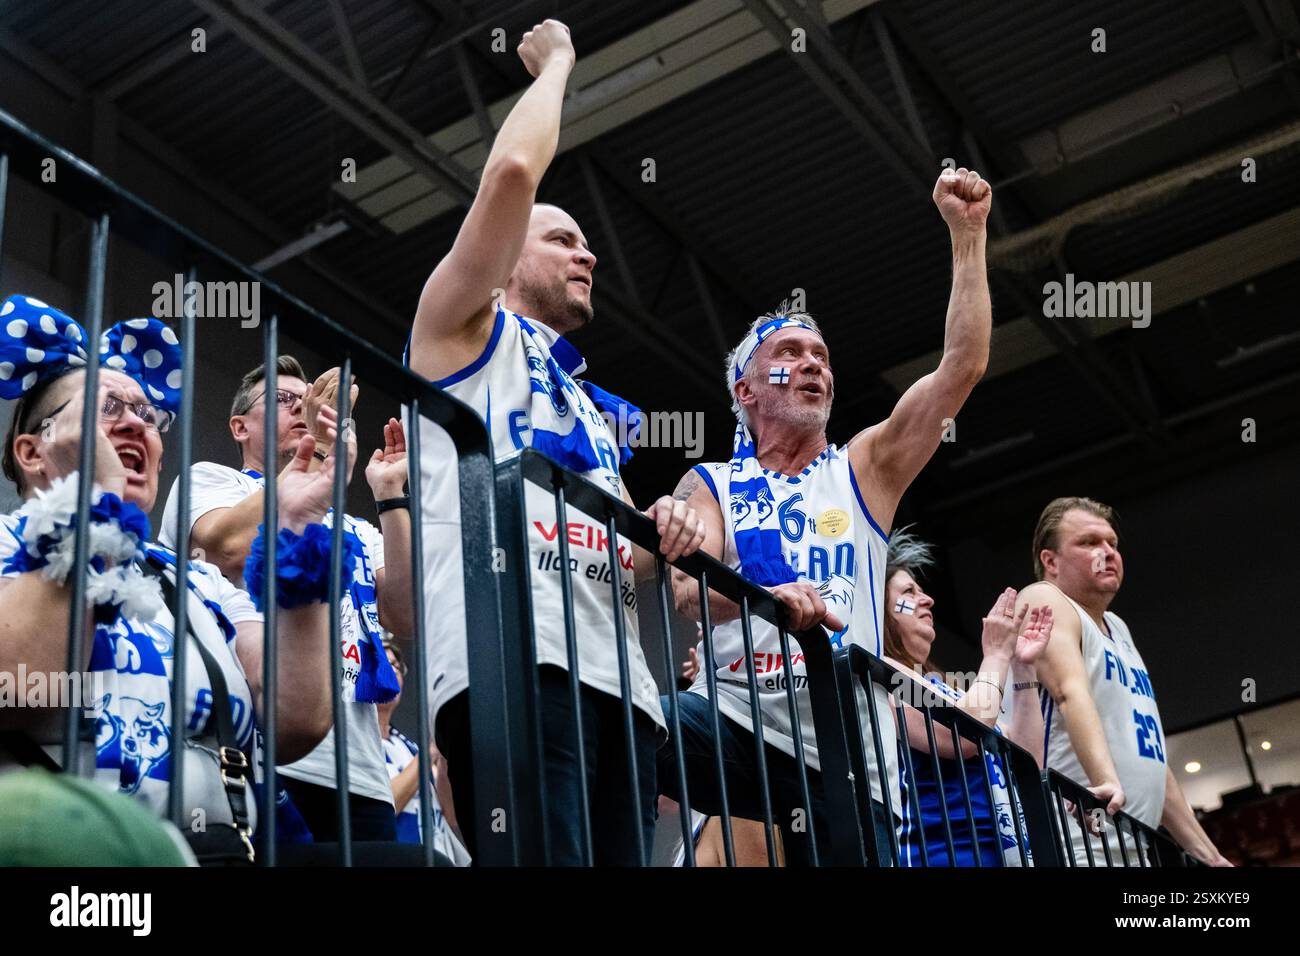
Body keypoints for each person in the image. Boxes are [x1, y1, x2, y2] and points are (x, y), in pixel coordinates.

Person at [403, 19, 704, 865]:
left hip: (623, 684)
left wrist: (660, 536)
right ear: (500, 262)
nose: (589, 254)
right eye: (562, 239)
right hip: (513, 659)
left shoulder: (580, 395)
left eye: (586, 242)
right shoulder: (460, 333)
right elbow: (510, 170)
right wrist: (558, 65)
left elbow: (612, 550)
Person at [660, 163, 994, 865]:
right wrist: (764, 600)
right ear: (746, 388)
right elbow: (690, 591)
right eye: (790, 354)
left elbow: (960, 366)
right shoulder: (714, 481)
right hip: (736, 719)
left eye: (821, 356)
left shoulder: (864, 467)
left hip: (848, 749)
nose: (814, 365)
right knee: (625, 723)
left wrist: (968, 237)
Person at [0, 294, 341, 862]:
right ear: (33, 451)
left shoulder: (195, 582)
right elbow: (14, 689)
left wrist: (298, 535)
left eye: (146, 414)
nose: (137, 421)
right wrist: (93, 503)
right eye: (107, 409)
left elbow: (295, 722)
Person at [160, 357, 413, 842]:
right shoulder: (213, 482)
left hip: (359, 770)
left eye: (313, 400)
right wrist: (318, 451)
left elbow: (405, 615)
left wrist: (390, 496)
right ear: (239, 426)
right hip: (255, 749)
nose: (307, 408)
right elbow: (226, 549)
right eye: (284, 400)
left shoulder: (354, 526)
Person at [1015, 497, 1231, 866]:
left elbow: (1149, 757)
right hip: (1075, 840)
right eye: (1089, 543)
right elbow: (1070, 692)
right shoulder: (1044, 598)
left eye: (1112, 544)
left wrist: (1210, 856)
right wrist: (1106, 781)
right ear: (1050, 561)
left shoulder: (1119, 628)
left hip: (1132, 844)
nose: (1108, 553)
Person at [880, 528, 1049, 866]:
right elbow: (964, 734)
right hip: (945, 856)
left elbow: (1028, 762)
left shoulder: (948, 688)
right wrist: (997, 655)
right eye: (908, 592)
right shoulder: (883, 673)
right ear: (881, 608)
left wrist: (1023, 669)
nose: (927, 599)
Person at [377, 638, 470, 866]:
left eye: (397, 667)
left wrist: (445, 752)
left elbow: (451, 815)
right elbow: (384, 808)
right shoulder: (360, 743)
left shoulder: (409, 748)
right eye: (383, 663)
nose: (394, 671)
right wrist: (428, 755)